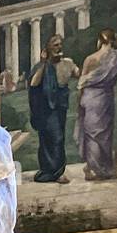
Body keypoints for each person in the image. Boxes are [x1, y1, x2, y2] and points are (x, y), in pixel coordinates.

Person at [77, 29, 117, 180]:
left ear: (100, 41)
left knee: (93, 134)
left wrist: (79, 103)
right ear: (114, 40)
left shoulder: (91, 59)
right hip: (106, 98)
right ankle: (103, 168)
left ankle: (95, 168)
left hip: (90, 97)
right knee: (104, 135)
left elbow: (81, 84)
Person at [27, 35, 79, 184]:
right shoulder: (41, 66)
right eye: (55, 45)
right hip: (45, 109)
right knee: (50, 139)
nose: (59, 47)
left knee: (58, 139)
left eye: (60, 44)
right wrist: (44, 63)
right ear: (48, 48)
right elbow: (34, 84)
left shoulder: (67, 63)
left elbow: (79, 74)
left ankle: (56, 171)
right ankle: (51, 172)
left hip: (59, 107)